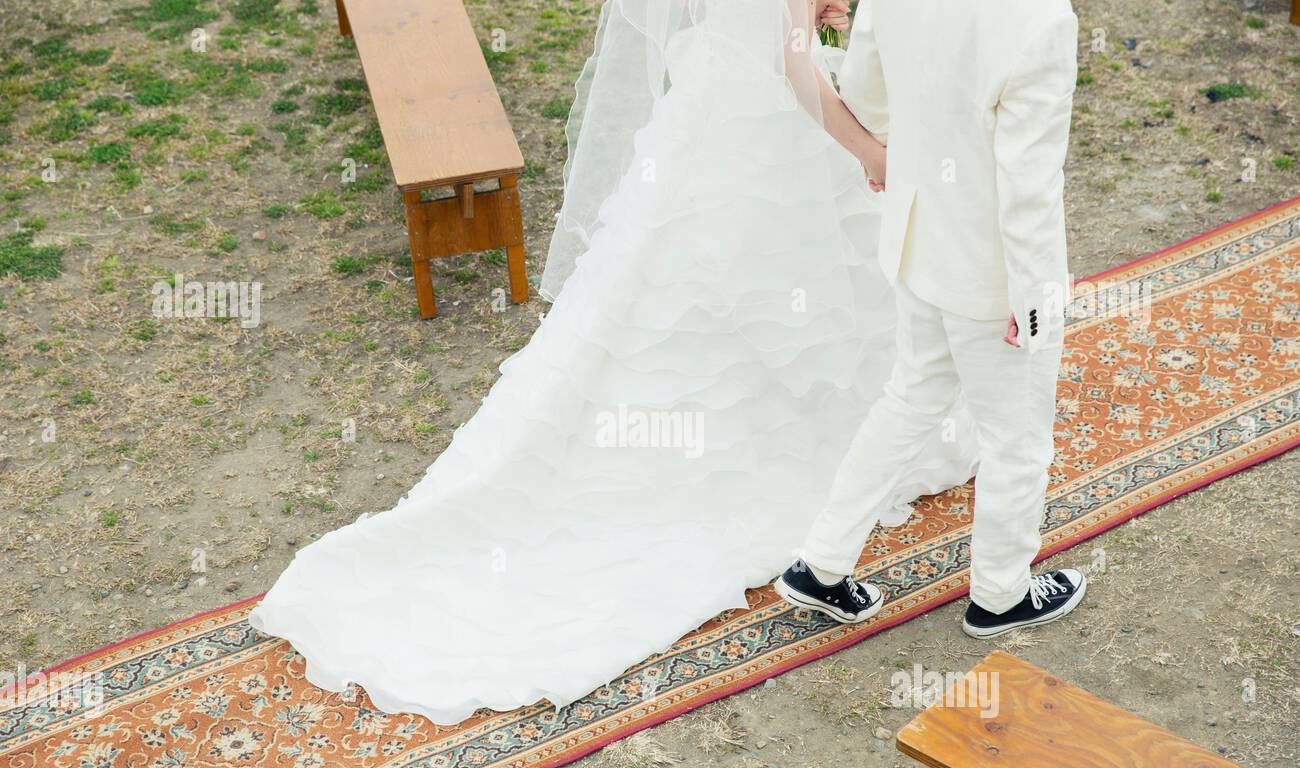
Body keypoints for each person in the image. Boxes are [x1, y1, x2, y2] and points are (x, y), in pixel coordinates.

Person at [249, 0, 977, 725]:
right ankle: (805, 446)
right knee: (755, 305)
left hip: (706, 110)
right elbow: (792, 64)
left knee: (676, 300)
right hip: (764, 126)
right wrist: (871, 152)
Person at [776, 0, 1088, 638]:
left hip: (919, 241)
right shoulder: (1042, 21)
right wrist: (1032, 292)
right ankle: (1001, 593)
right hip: (989, 272)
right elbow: (1029, 180)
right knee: (1017, 438)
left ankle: (823, 562)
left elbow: (868, 99)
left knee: (910, 397)